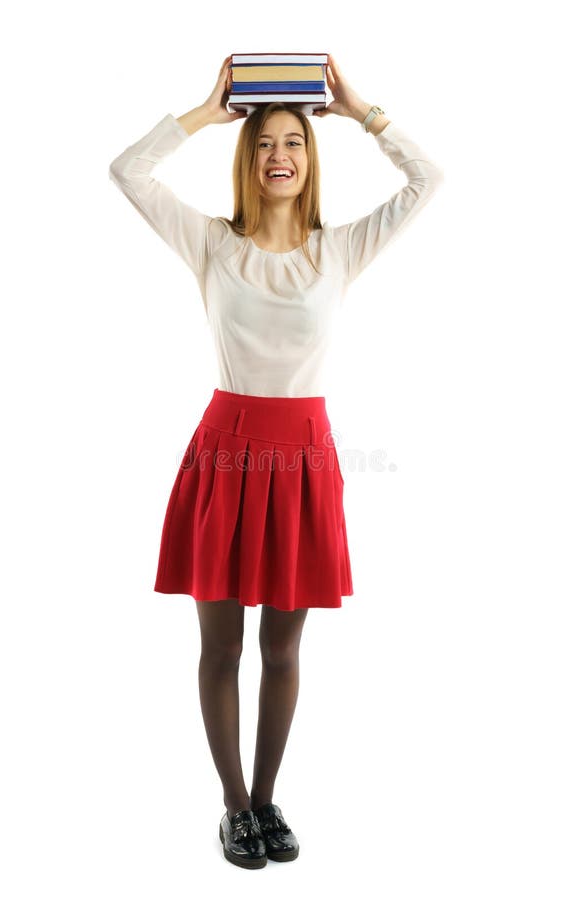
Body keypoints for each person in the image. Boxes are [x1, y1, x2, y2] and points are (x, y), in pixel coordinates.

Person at [108, 53, 444, 869]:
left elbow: (426, 179)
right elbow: (129, 171)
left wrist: (361, 111)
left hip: (302, 459)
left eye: (292, 141)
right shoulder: (212, 245)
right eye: (263, 144)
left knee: (284, 651)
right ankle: (233, 808)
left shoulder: (339, 251)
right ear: (247, 159)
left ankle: (266, 799)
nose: (278, 154)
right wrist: (205, 110)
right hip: (225, 453)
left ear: (309, 156)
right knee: (222, 647)